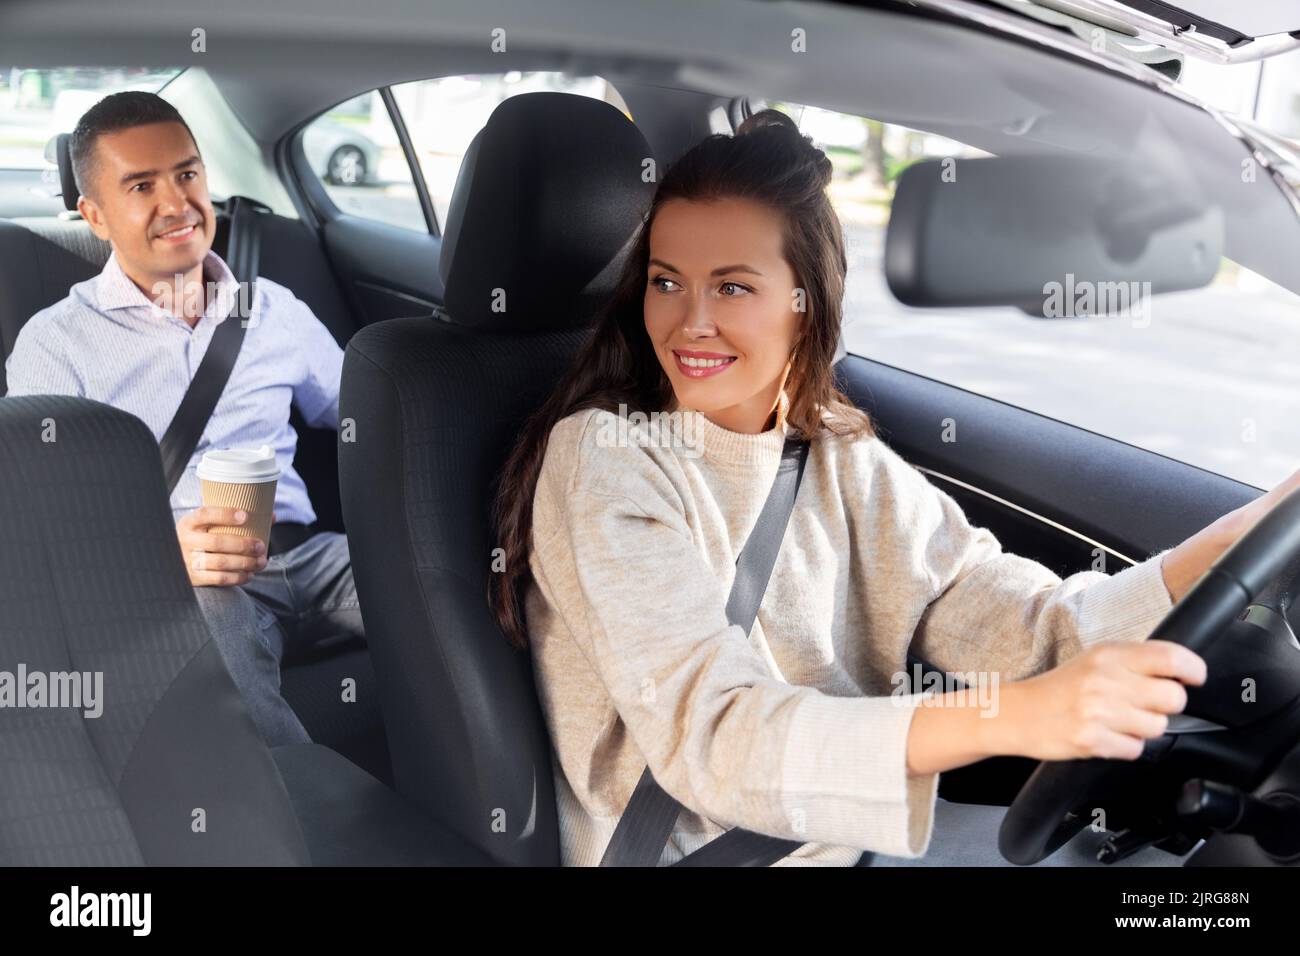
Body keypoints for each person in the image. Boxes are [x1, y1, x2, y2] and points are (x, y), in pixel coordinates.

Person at [486, 109, 1300, 866]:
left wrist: (1232, 539)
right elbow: (715, 734)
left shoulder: (840, 458)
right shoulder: (606, 460)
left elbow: (1018, 617)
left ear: (807, 307)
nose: (689, 320)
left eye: (732, 286)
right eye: (667, 281)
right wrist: (1012, 716)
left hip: (846, 846)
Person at [4, 91, 363, 747]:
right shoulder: (56, 345)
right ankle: (293, 800)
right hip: (181, 581)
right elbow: (38, 519)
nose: (177, 203)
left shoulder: (272, 310)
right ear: (95, 214)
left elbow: (366, 420)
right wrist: (162, 557)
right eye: (142, 185)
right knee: (211, 620)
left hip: (307, 559)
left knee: (446, 577)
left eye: (187, 173)